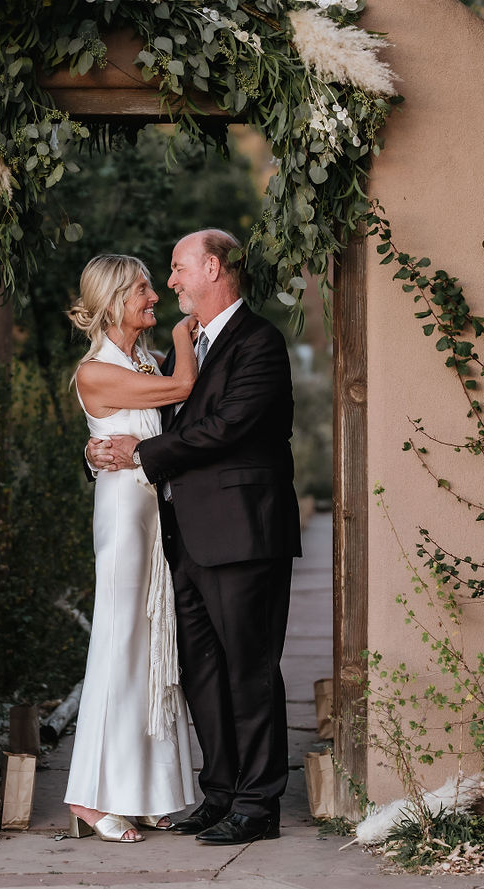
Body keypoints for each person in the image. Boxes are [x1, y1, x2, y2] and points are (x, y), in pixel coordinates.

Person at [89, 229, 300, 846]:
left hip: (243, 535)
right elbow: (136, 419)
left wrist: (144, 452)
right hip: (183, 539)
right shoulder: (184, 349)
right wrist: (103, 451)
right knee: (202, 672)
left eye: (179, 268)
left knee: (250, 670)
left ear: (212, 268)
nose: (171, 281)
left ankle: (259, 806)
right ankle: (221, 794)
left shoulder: (258, 342)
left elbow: (228, 427)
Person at [63, 254, 200, 843]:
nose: (154, 294)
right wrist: (181, 335)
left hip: (154, 516)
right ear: (116, 299)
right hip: (123, 519)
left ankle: (146, 793)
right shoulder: (96, 370)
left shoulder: (140, 360)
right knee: (118, 645)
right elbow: (183, 387)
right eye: (143, 287)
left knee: (152, 649)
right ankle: (90, 798)